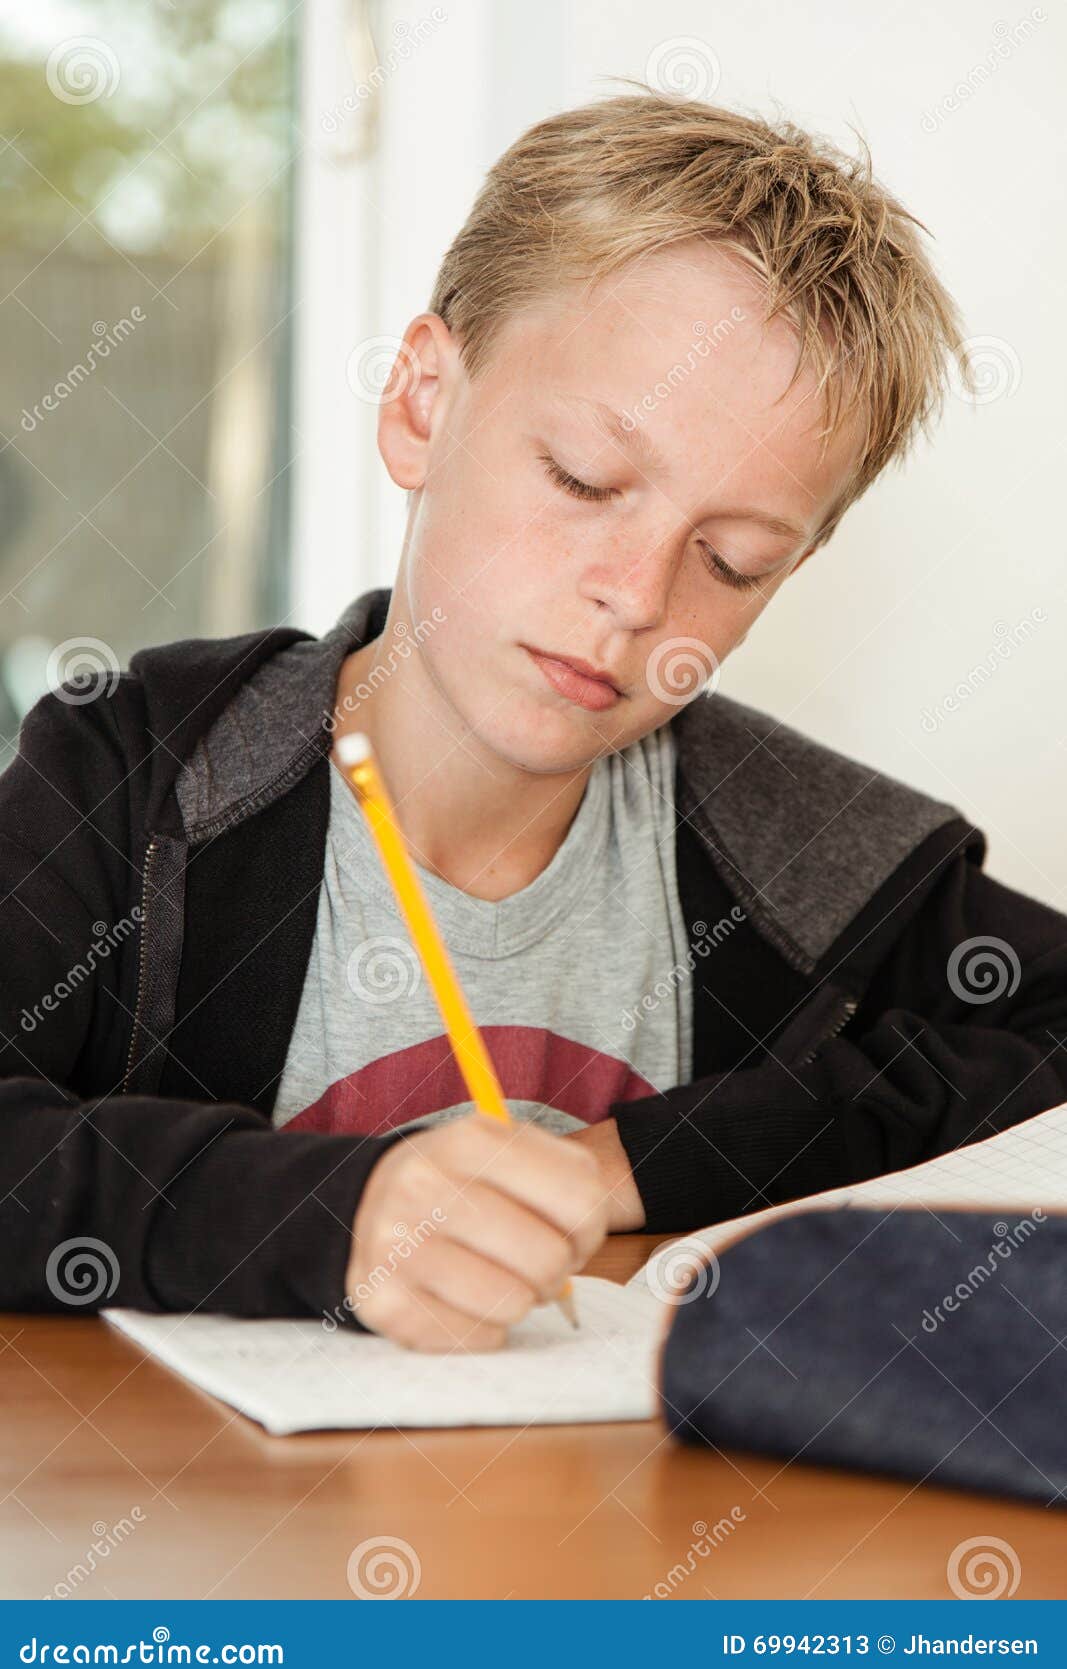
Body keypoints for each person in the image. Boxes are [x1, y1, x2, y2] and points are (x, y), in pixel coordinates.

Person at [4, 93, 1065, 1354]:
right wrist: (321, 1216)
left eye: (728, 561)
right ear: (420, 405)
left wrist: (642, 1165)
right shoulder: (136, 776)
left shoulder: (802, 852)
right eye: (582, 480)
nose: (634, 596)